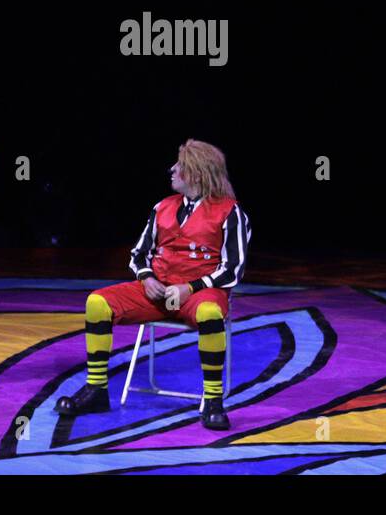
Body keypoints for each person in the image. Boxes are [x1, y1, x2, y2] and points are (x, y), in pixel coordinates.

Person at [55, 139, 250, 429]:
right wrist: (146, 278)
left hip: (199, 294)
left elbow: (232, 269)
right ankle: (96, 389)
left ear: (196, 173)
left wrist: (191, 288)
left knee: (210, 313)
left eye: (180, 166)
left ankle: (213, 400)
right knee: (97, 303)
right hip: (158, 291)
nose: (172, 170)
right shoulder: (162, 207)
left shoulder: (229, 212)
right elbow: (138, 254)